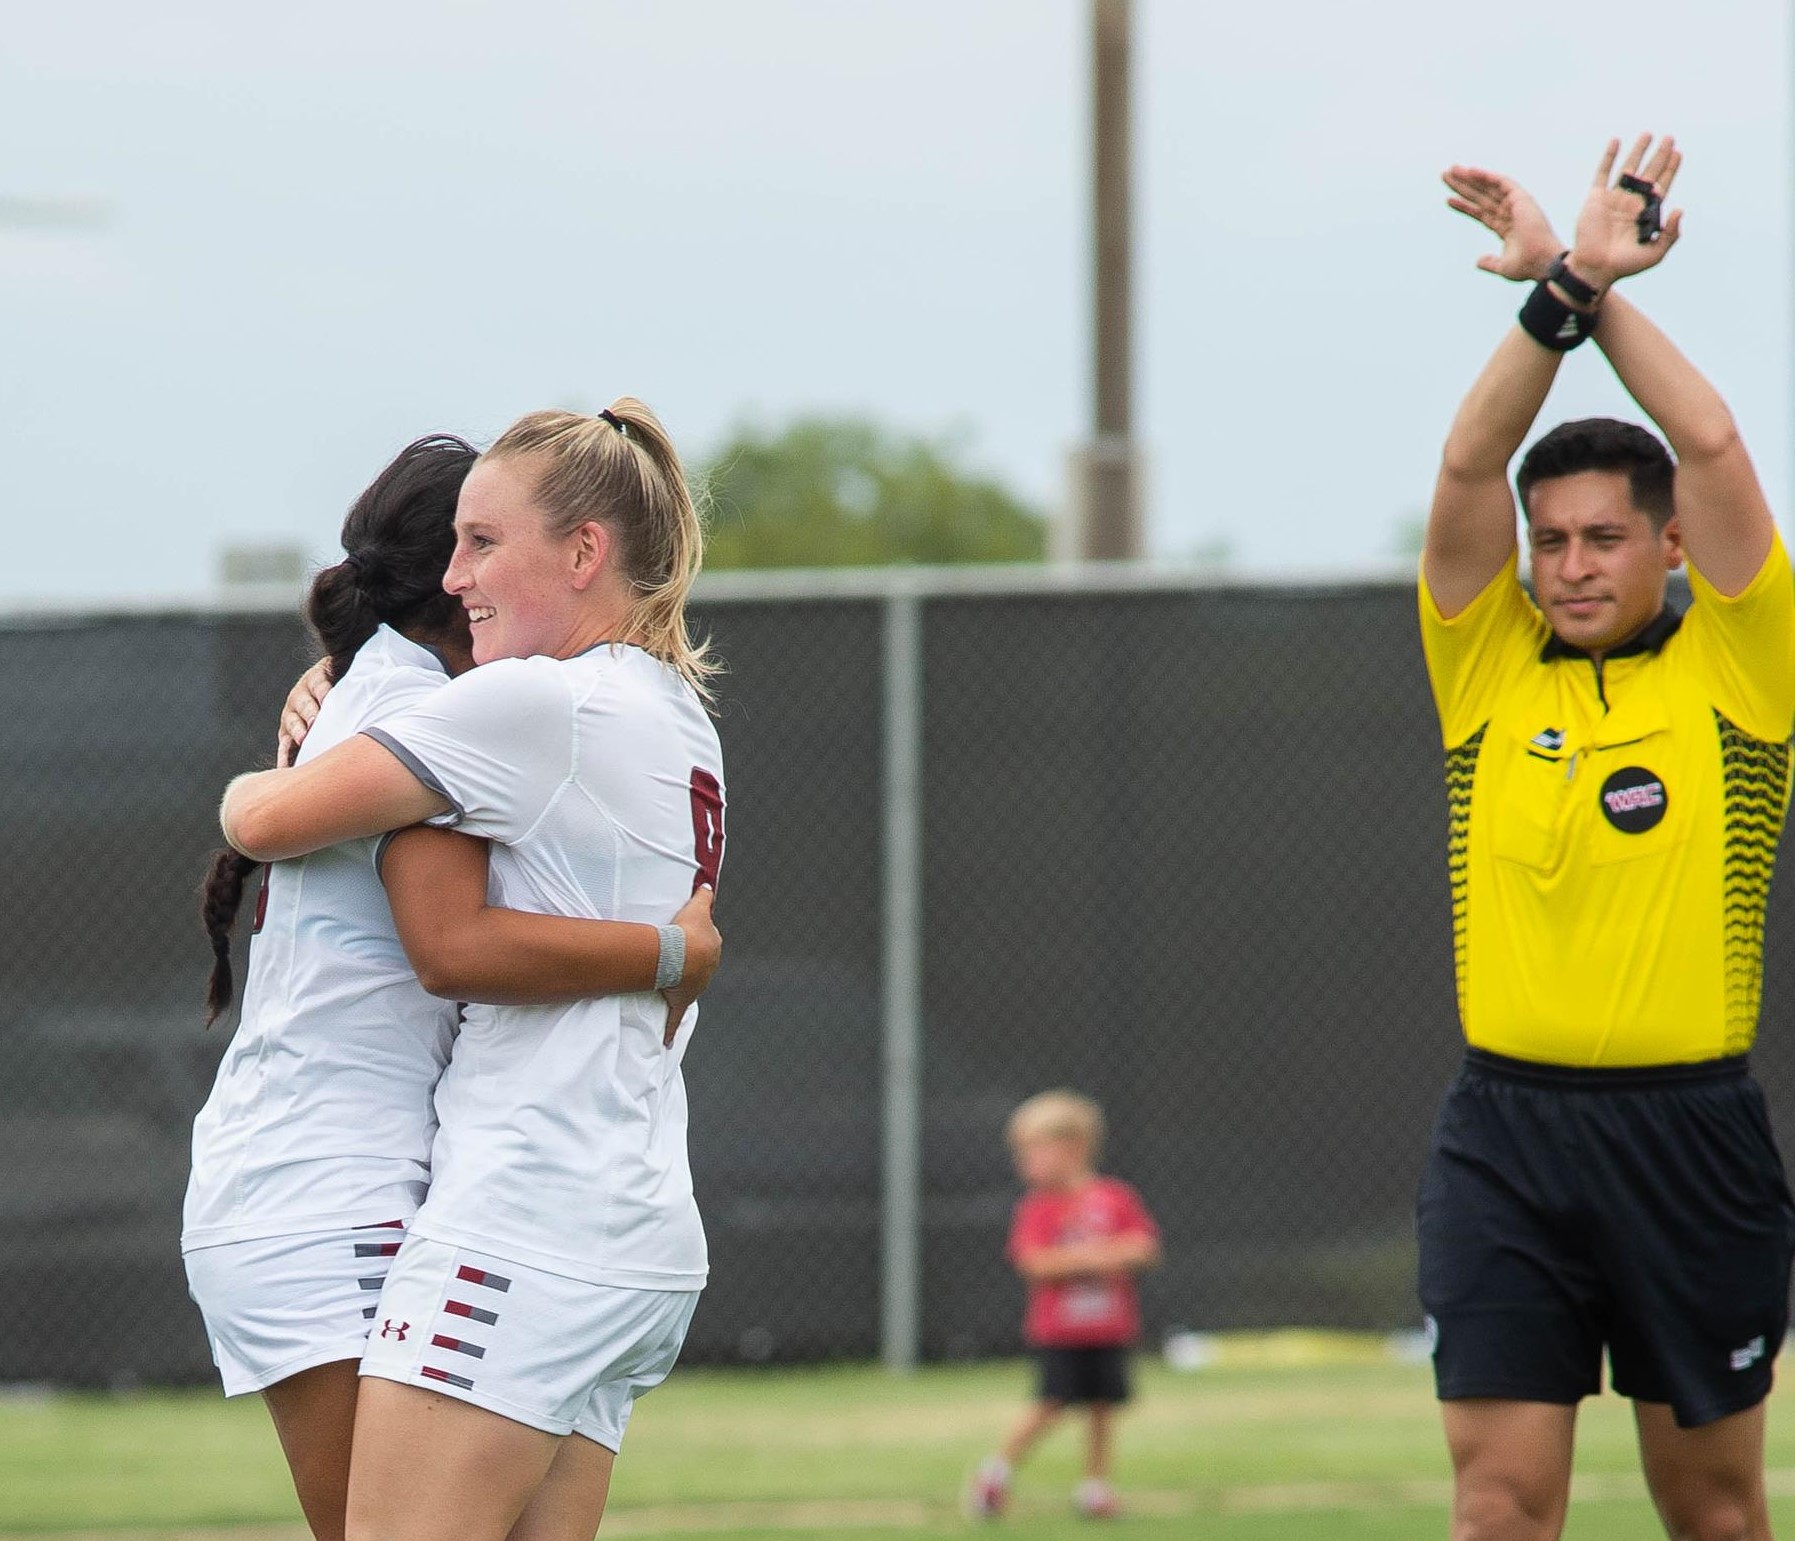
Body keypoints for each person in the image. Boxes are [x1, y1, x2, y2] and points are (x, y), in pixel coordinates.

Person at [185, 433, 719, 1541]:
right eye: (460, 543)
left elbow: (321, 848)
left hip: (461, 1194)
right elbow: (449, 942)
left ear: (579, 553)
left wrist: (313, 720)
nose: (464, 575)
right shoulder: (636, 703)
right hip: (349, 1186)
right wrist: (667, 953)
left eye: (489, 543)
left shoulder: (493, 703)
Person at [1419, 135, 1795, 1541]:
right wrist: (1556, 287)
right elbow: (1467, 461)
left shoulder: (1739, 672)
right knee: (1497, 1504)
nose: (1567, 564)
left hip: (1689, 1141)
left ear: (1669, 549)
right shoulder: (1483, 671)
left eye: (1600, 538)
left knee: (1709, 1513)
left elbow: (1707, 446)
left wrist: (1596, 293)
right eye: (1549, 540)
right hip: (1502, 1139)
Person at [968, 1090, 1160, 1522]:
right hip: (1061, 1331)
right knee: (1052, 1402)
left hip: (1108, 1327)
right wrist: (1094, 1257)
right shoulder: (1037, 1207)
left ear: (1074, 1148)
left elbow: (1144, 1247)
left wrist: (1107, 1254)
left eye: (1035, 1150)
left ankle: (1095, 1487)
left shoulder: (1115, 1198)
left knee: (1102, 1408)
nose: (1025, 1162)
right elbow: (1033, 1262)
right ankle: (994, 1474)